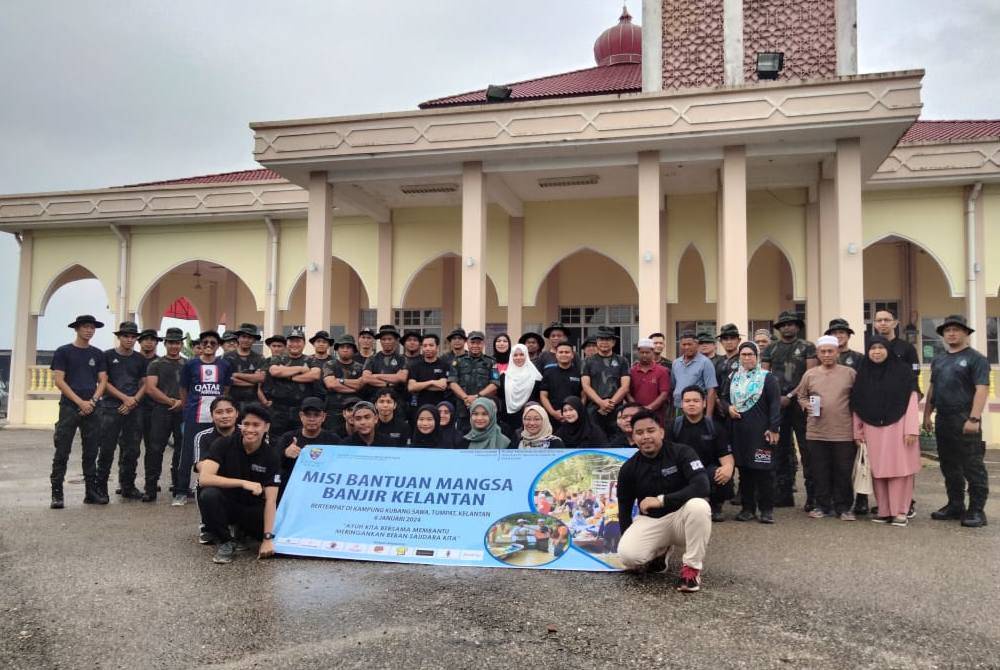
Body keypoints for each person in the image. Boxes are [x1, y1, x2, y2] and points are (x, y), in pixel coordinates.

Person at [616, 409, 712, 592]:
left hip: (683, 519)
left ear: (661, 431)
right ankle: (660, 551)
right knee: (628, 556)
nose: (645, 436)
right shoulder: (628, 468)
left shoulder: (683, 452)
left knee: (699, 506)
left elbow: (702, 486)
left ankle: (691, 569)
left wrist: (662, 500)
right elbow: (624, 508)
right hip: (652, 521)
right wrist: (628, 539)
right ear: (634, 437)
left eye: (650, 431)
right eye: (639, 432)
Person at [922, 314, 990, 528]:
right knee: (949, 465)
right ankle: (955, 505)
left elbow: (982, 389)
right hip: (943, 418)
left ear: (966, 333)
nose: (951, 333)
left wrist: (974, 417)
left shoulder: (976, 358)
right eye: (947, 330)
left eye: (956, 329)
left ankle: (977, 510)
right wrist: (926, 415)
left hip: (965, 417)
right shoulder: (939, 359)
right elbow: (933, 389)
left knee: (972, 466)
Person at [197, 403, 280, 564]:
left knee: (266, 520)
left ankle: (243, 532)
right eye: (246, 424)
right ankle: (225, 541)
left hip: (250, 507)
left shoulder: (271, 456)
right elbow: (204, 478)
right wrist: (243, 483)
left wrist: (267, 539)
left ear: (266, 427)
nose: (250, 429)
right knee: (208, 494)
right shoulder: (223, 444)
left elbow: (271, 500)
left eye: (256, 425)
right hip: (227, 504)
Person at [851, 337, 921, 527]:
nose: (877, 352)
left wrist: (912, 430)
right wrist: (858, 432)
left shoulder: (904, 372)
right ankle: (884, 510)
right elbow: (857, 405)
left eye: (881, 347)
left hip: (900, 429)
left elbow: (912, 402)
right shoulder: (863, 373)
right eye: (873, 348)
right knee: (878, 472)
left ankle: (900, 511)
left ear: (888, 350)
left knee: (900, 471)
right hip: (872, 429)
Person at [795, 335, 858, 520]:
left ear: (837, 352)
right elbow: (801, 395)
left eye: (831, 351)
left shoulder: (850, 373)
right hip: (817, 432)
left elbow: (859, 398)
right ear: (818, 354)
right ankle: (822, 506)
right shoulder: (810, 374)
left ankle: (844, 508)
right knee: (819, 471)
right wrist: (805, 405)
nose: (827, 355)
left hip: (843, 432)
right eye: (823, 352)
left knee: (843, 472)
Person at [49, 314, 109, 508]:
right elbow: (59, 381)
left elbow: (103, 381)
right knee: (62, 450)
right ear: (77, 329)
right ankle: (57, 493)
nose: (89, 330)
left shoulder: (97, 354)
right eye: (85, 327)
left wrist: (91, 401)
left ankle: (90, 491)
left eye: (92, 327)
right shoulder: (63, 352)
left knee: (91, 451)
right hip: (69, 407)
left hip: (93, 407)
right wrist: (79, 402)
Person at [720, 342, 781, 524]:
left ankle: (766, 510)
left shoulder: (767, 378)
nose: (747, 358)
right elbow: (722, 398)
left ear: (757, 356)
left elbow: (775, 405)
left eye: (750, 354)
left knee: (763, 471)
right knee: (745, 470)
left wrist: (774, 428)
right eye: (743, 354)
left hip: (761, 432)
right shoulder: (733, 377)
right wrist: (728, 407)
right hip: (739, 432)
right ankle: (748, 509)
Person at [761, 310, 817, 509]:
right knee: (779, 449)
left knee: (807, 449)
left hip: (800, 403)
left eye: (791, 324)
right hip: (777, 404)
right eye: (783, 325)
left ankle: (813, 497)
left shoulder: (807, 347)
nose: (787, 327)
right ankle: (782, 495)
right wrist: (776, 398)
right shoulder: (770, 348)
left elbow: (810, 375)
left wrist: (791, 396)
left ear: (797, 326)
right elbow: (764, 376)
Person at [176, 330, 232, 506]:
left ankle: (215, 487)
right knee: (187, 454)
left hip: (217, 418)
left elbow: (226, 389)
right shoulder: (190, 365)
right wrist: (186, 409)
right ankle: (181, 491)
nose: (208, 346)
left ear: (218, 345)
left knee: (218, 453)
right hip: (194, 415)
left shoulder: (224, 365)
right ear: (200, 345)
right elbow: (184, 389)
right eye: (205, 342)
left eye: (213, 343)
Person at [95, 321, 148, 501]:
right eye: (126, 336)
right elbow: (104, 383)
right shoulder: (107, 356)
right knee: (107, 449)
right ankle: (100, 488)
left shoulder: (140, 359)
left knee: (132, 450)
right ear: (119, 337)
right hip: (111, 408)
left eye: (133, 337)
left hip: (134, 408)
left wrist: (133, 400)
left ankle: (128, 486)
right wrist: (124, 398)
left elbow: (144, 383)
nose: (130, 339)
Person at [670, 386, 735, 523]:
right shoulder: (673, 426)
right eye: (687, 401)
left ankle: (716, 506)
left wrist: (728, 468)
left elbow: (726, 457)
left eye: (696, 400)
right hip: (681, 471)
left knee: (724, 472)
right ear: (682, 404)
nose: (691, 404)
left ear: (704, 403)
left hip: (706, 469)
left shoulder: (715, 427)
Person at [142, 327, 186, 502]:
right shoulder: (156, 364)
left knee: (182, 450)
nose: (174, 346)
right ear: (165, 343)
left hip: (183, 411)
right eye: (171, 342)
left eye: (177, 342)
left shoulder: (187, 364)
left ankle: (179, 486)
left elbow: (191, 387)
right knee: (155, 449)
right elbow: (151, 389)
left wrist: (181, 403)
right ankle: (150, 488)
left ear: (181, 344)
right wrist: (171, 402)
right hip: (161, 410)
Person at [192, 396, 239, 545]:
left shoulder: (248, 433)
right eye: (219, 412)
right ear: (212, 415)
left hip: (241, 482)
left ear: (237, 413)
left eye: (229, 411)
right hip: (216, 483)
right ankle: (207, 526)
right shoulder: (203, 437)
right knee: (203, 485)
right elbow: (201, 467)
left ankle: (241, 526)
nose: (225, 416)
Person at [276, 397, 340, 500]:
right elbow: (273, 464)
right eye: (308, 414)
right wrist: (285, 454)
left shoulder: (333, 440)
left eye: (316, 415)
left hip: (321, 494)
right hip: (292, 493)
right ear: (301, 416)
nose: (312, 419)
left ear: (323, 417)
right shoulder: (287, 438)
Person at [265, 328, 315, 439]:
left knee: (300, 441)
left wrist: (287, 375)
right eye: (291, 341)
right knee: (276, 442)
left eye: (298, 341)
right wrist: (301, 369)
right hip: (279, 410)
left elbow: (314, 375)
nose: (294, 344)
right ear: (287, 343)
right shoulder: (278, 358)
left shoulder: (311, 359)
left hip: (301, 410)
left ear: (304, 343)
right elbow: (275, 371)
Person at [581, 326, 631, 439]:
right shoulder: (588, 362)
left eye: (608, 339)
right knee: (595, 440)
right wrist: (601, 403)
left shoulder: (622, 361)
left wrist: (610, 403)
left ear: (613, 342)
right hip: (594, 408)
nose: (604, 342)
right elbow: (585, 385)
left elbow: (625, 386)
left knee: (617, 440)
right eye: (601, 339)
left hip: (616, 409)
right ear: (597, 342)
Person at [448, 330, 499, 433]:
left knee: (484, 436)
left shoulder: (491, 361)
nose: (476, 345)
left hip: (484, 408)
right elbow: (452, 382)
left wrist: (476, 397)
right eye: (473, 342)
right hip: (463, 408)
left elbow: (495, 383)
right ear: (467, 343)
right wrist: (466, 398)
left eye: (479, 343)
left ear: (483, 344)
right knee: (462, 438)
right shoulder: (457, 360)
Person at [320, 334, 365, 435]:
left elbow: (360, 385)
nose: (345, 350)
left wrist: (340, 381)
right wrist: (353, 388)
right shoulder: (329, 364)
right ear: (337, 349)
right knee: (332, 437)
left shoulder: (360, 367)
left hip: (354, 409)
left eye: (348, 347)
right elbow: (331, 384)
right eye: (342, 347)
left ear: (353, 350)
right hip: (333, 409)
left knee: (356, 437)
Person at [134, 328, 161, 489]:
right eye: (145, 339)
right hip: (134, 408)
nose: (149, 342)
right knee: (131, 447)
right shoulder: (133, 359)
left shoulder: (160, 362)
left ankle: (152, 481)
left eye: (152, 339)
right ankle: (127, 482)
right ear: (140, 341)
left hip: (154, 409)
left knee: (153, 448)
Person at [670, 331, 718, 416]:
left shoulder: (705, 362)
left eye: (690, 344)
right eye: (684, 345)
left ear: (697, 345)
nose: (687, 347)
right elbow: (673, 386)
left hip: (697, 408)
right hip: (679, 407)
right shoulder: (676, 363)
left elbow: (711, 390)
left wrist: (708, 416)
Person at [499, 343, 542, 433]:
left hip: (530, 419)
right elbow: (501, 397)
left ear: (526, 356)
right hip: (508, 419)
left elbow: (538, 397)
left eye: (522, 354)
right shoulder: (504, 377)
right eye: (515, 355)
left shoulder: (536, 377)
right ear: (511, 357)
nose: (518, 358)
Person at [224, 323, 266, 414]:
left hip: (253, 404)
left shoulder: (259, 358)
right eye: (243, 336)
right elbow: (228, 380)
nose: (246, 340)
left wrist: (236, 374)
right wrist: (252, 380)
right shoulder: (227, 357)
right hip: (232, 403)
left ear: (254, 340)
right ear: (238, 338)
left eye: (250, 337)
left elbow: (261, 378)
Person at [362, 324, 409, 402]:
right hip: (375, 401)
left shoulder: (402, 359)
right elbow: (366, 378)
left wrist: (376, 376)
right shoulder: (372, 359)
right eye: (384, 339)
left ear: (396, 340)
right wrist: (389, 383)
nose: (387, 342)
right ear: (380, 341)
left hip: (397, 400)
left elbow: (402, 378)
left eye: (390, 339)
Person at [627, 338, 671, 421]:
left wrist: (649, 408)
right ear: (637, 352)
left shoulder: (662, 371)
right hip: (636, 414)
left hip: (656, 415)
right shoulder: (631, 371)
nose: (644, 355)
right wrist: (636, 408)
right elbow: (628, 393)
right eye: (641, 352)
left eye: (647, 352)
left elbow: (664, 394)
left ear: (653, 352)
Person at [539, 342, 582, 425]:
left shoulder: (578, 373)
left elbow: (583, 396)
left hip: (574, 417)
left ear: (572, 355)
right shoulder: (548, 372)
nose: (564, 354)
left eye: (567, 352)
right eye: (561, 352)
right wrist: (553, 413)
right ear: (556, 355)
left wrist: (577, 411)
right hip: (553, 417)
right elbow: (543, 396)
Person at [408, 333, 450, 413]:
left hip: (439, 408)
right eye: (425, 346)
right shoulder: (415, 366)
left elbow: (442, 386)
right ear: (422, 348)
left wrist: (420, 386)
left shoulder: (444, 365)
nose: (427, 348)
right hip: (419, 407)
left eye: (431, 345)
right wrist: (432, 382)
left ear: (437, 347)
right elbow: (411, 387)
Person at [714, 324, 742, 390]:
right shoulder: (718, 361)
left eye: (732, 338)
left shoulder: (744, 359)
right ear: (720, 341)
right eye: (725, 339)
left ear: (739, 340)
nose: (729, 342)